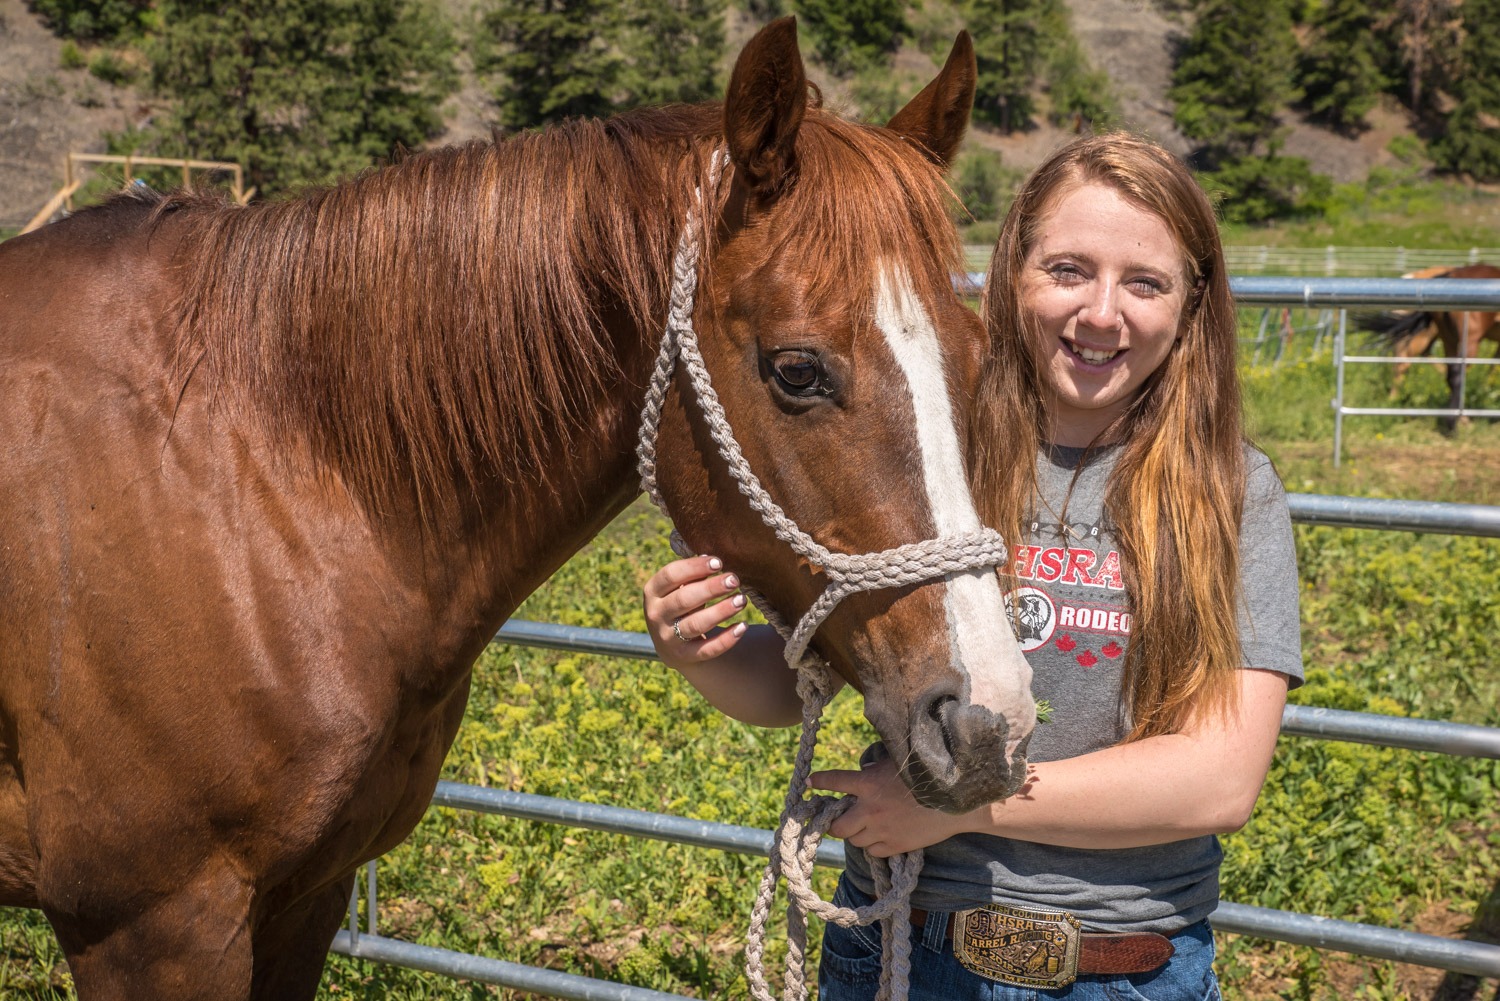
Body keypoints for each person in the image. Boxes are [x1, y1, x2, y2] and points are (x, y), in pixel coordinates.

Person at [641, 132, 1303, 1000]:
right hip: (900, 945)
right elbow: (794, 684)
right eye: (1067, 269)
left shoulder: (1229, 491)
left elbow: (1219, 778)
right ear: (1011, 277)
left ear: (1189, 306)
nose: (1102, 313)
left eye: (1145, 282)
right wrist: (705, 652)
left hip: (1120, 967)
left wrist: (968, 802)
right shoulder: (940, 455)